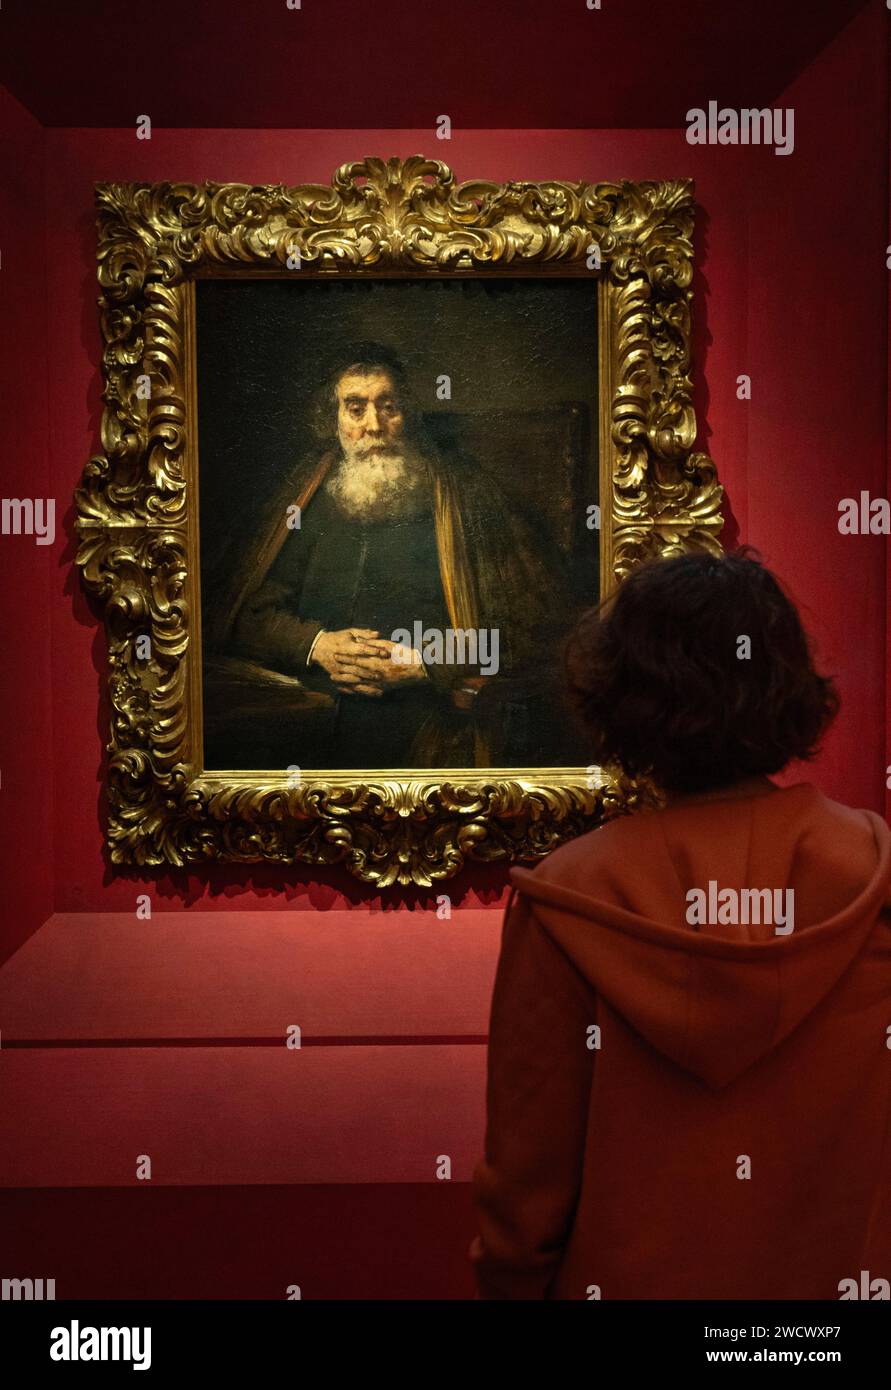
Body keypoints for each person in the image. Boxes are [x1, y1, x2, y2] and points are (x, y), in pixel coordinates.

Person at [469, 548, 891, 1299]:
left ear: (617, 695)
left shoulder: (569, 895)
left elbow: (528, 1182)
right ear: (787, 685)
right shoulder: (872, 874)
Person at [215, 343, 572, 768]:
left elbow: (529, 629)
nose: (374, 425)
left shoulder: (464, 494)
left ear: (408, 416)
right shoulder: (305, 495)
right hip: (309, 707)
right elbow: (242, 614)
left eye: (389, 407)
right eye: (355, 408)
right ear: (333, 421)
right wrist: (318, 645)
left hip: (427, 714)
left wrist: (423, 664)